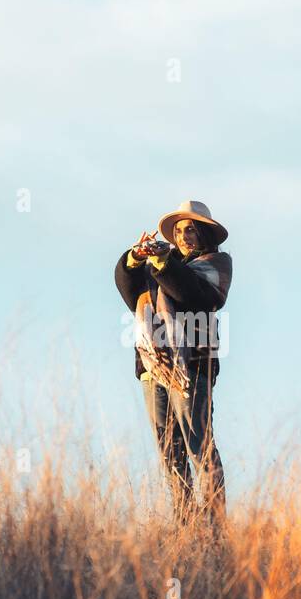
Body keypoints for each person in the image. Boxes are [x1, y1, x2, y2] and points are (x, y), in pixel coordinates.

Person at [114, 200, 233, 526]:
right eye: (179, 231)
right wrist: (134, 259)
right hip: (154, 369)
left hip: (192, 366)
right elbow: (128, 289)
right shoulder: (157, 267)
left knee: (198, 445)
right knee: (170, 452)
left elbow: (191, 295)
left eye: (191, 229)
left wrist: (163, 264)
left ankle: (214, 528)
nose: (184, 236)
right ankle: (186, 526)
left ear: (205, 233)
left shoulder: (217, 264)